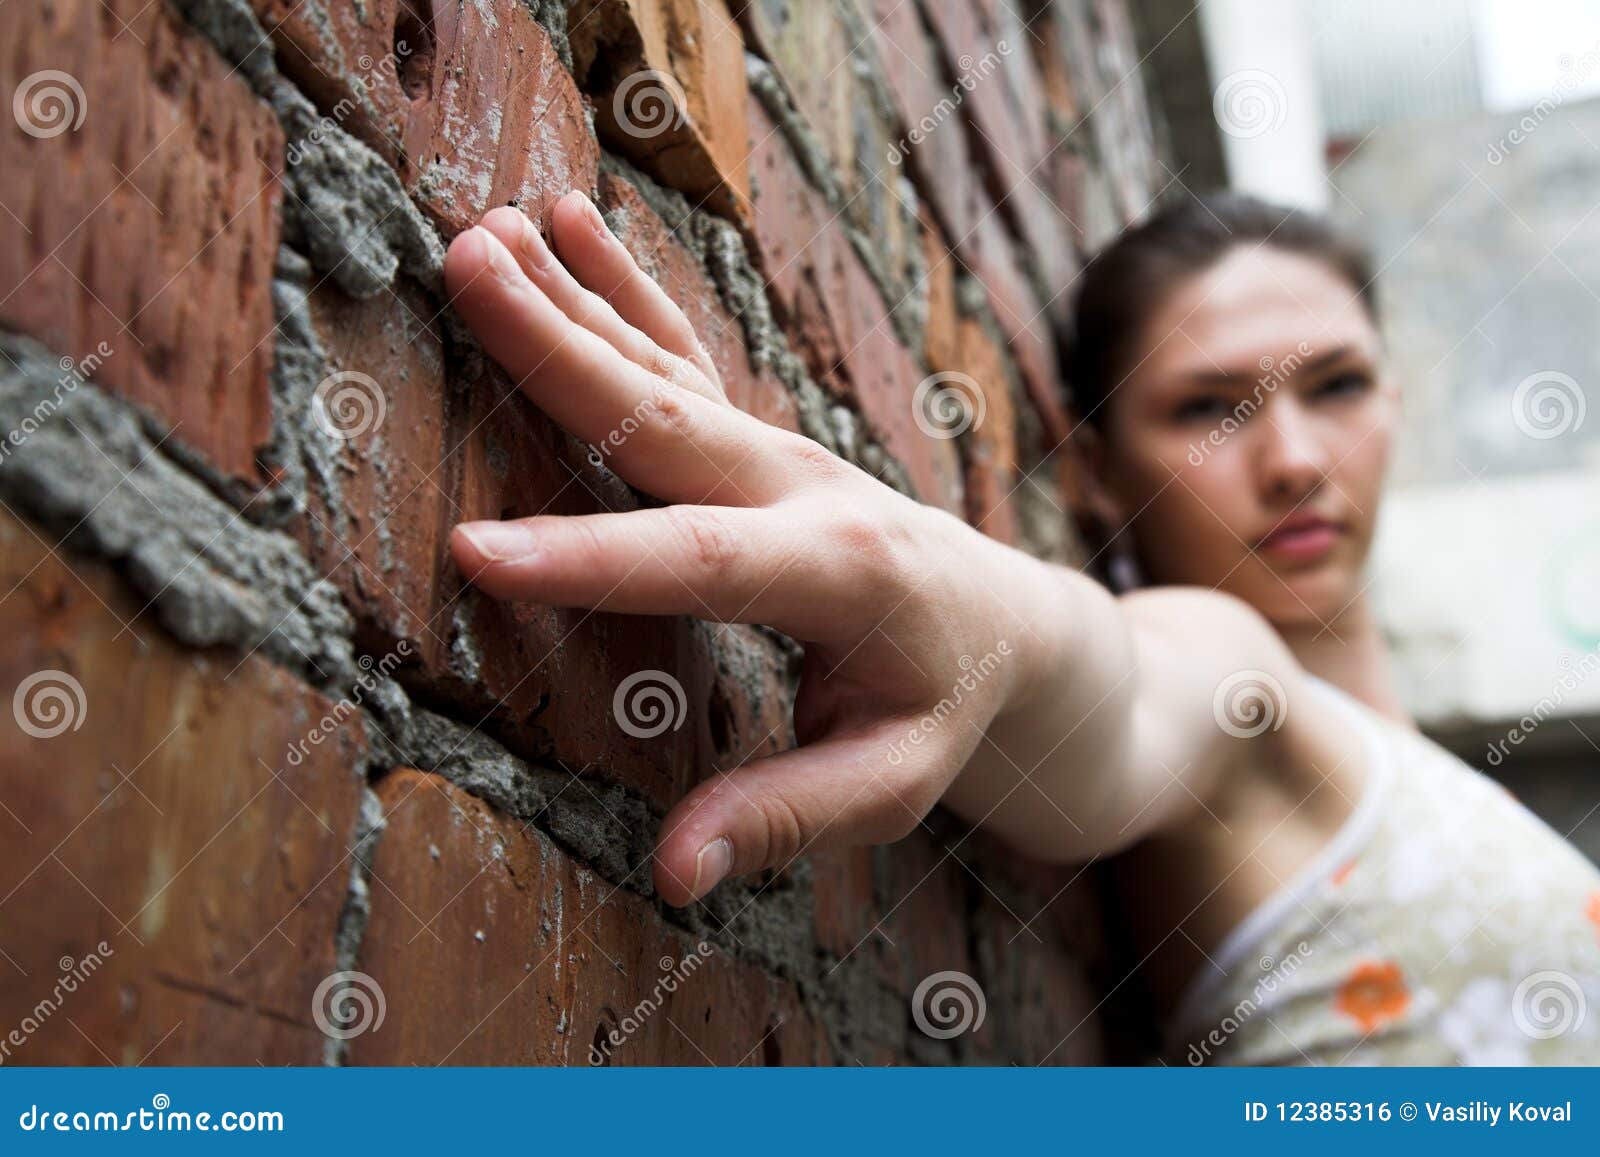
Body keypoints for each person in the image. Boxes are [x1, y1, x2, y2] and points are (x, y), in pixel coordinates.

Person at [440, 188, 1600, 1065]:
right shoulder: (1235, 681)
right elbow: (1126, 687)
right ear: (1092, 475)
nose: (1294, 459)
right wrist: (939, 587)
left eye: (1337, 385)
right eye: (1210, 405)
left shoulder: (1431, 783)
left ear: (1395, 404)